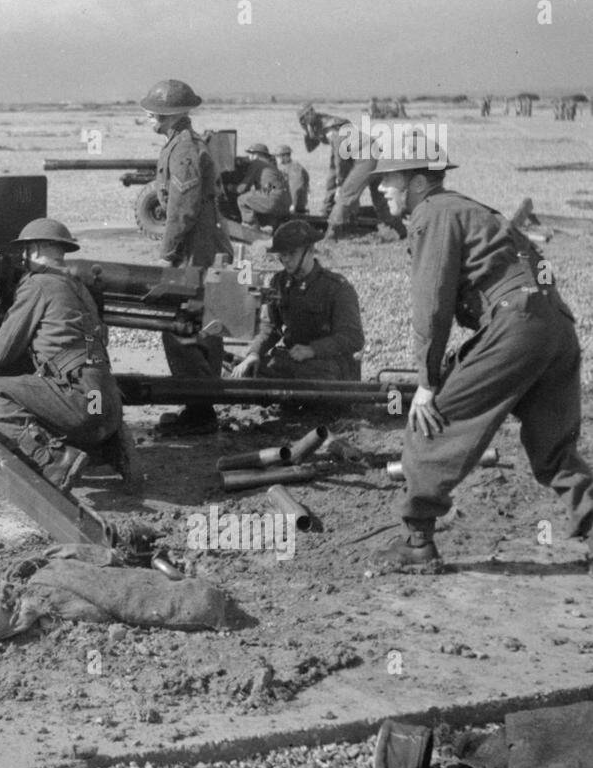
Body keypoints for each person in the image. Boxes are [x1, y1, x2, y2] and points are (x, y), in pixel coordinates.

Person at [366, 154, 593, 572]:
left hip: (517, 324)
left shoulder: (431, 213)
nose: (381, 189)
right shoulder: (466, 208)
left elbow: (431, 304)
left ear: (416, 184)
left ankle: (417, 542)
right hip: (554, 322)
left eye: (389, 181)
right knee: (552, 445)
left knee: (433, 422)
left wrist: (428, 382)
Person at [0, 218, 127, 491]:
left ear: (37, 249)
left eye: (25, 251)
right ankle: (112, 448)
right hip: (105, 404)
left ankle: (54, 457)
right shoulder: (79, 286)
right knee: (61, 386)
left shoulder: (38, 285)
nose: (22, 258)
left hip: (80, 407)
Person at [141, 78, 226, 435]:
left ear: (168, 116)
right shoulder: (180, 144)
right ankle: (199, 408)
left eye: (152, 114)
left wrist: (167, 253)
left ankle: (200, 413)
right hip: (200, 250)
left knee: (183, 328)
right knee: (200, 327)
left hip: (194, 253)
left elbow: (183, 209)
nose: (148, 119)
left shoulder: (185, 150)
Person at [230, 220, 364, 381]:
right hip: (293, 360)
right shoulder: (279, 282)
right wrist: (254, 353)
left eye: (292, 253)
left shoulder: (336, 287)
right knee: (244, 368)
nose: (285, 259)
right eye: (282, 254)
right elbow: (271, 327)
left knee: (317, 376)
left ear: (310, 251)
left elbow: (353, 337)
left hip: (328, 363)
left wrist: (313, 350)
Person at [298, 103, 398, 239]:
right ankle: (398, 230)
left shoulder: (331, 130)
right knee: (378, 196)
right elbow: (333, 167)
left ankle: (331, 235)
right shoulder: (331, 125)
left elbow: (340, 159)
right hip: (376, 153)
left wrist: (340, 184)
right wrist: (327, 203)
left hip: (366, 158)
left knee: (345, 194)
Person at [237, 143, 291, 230]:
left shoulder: (256, 163)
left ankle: (250, 226)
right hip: (285, 203)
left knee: (242, 199)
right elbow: (273, 186)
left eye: (251, 154)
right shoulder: (271, 165)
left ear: (257, 155)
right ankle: (268, 225)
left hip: (274, 201)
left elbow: (243, 188)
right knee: (256, 196)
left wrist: (232, 188)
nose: (249, 156)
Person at [275, 144, 310, 214]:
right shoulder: (281, 167)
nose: (276, 158)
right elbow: (275, 184)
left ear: (286, 156)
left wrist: (293, 204)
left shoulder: (295, 168)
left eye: (278, 156)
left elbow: (295, 187)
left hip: (295, 205)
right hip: (284, 201)